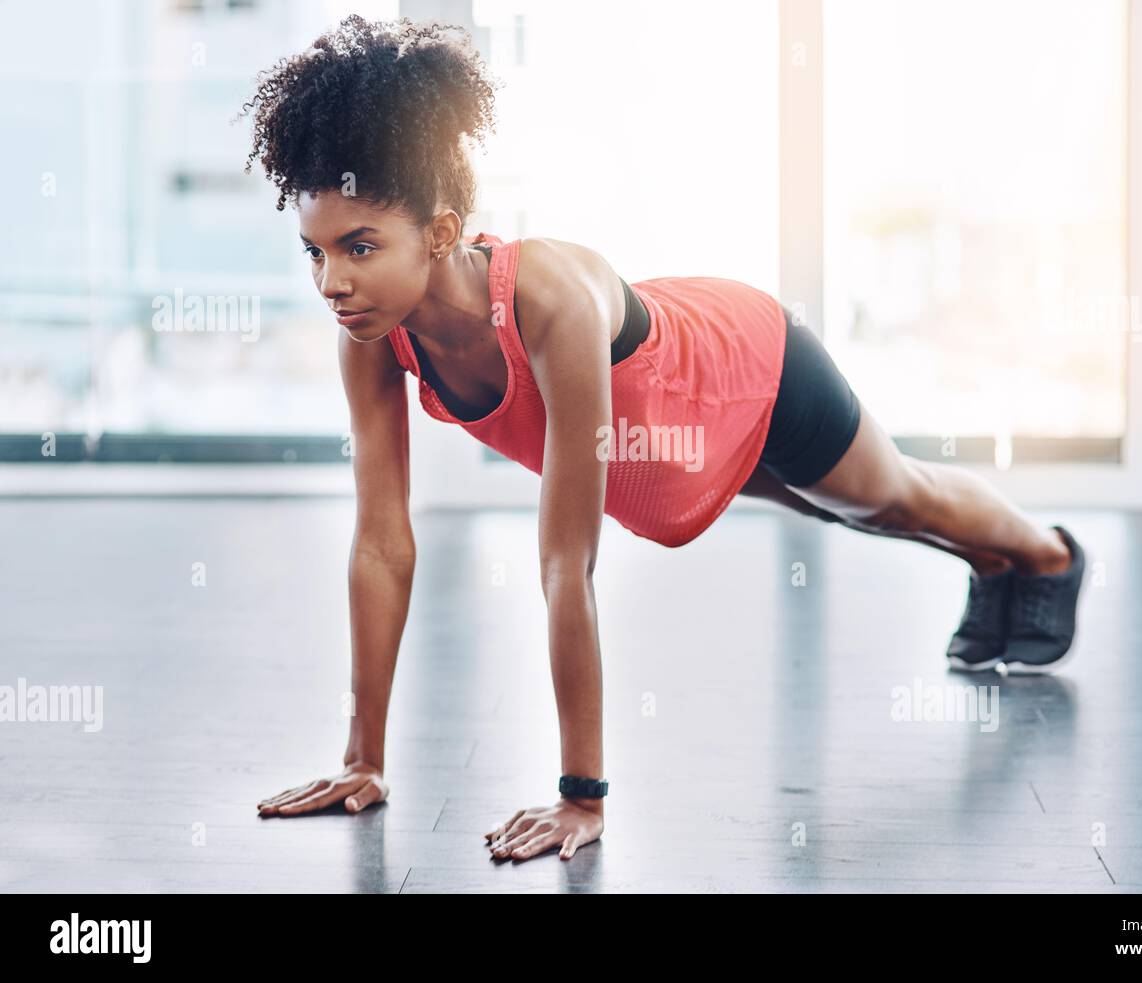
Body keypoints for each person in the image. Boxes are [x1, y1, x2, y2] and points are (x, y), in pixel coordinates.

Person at [242, 15, 1086, 863]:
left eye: (358, 247)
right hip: (657, 460)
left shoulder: (548, 300)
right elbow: (383, 543)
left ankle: (1042, 556)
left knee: (887, 495)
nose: (333, 282)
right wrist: (364, 759)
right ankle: (990, 563)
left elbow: (565, 562)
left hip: (742, 368)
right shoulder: (372, 336)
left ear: (439, 229)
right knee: (839, 511)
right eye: (314, 252)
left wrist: (582, 797)